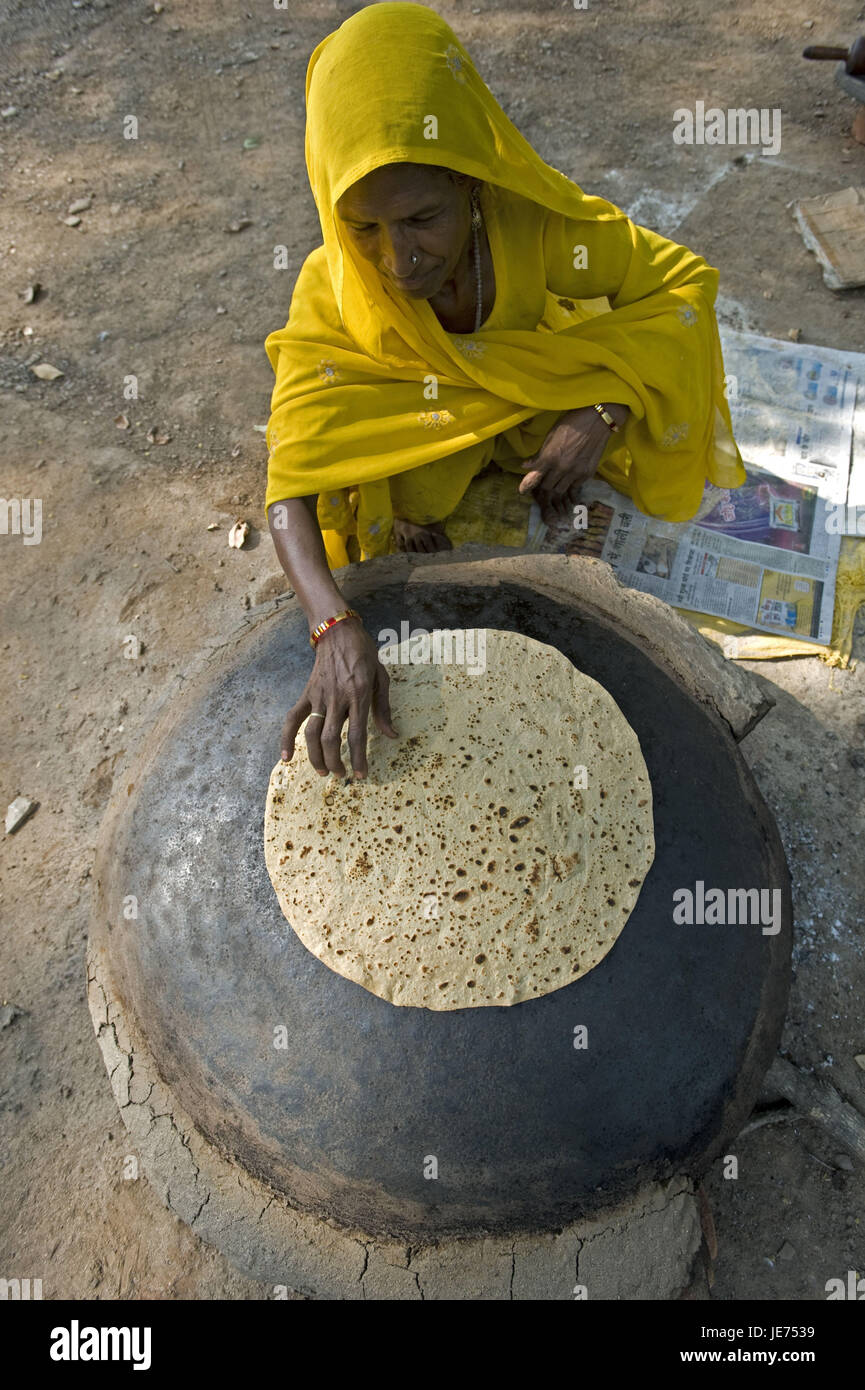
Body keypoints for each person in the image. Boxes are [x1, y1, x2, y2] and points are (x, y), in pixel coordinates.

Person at [264, 2, 745, 781]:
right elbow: (290, 480)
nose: (398, 259)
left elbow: (682, 289)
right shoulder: (337, 289)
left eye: (423, 218)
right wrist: (332, 626)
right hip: (423, 457)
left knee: (595, 383)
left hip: (525, 412)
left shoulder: (538, 229)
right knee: (384, 471)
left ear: (472, 183)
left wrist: (601, 410)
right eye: (363, 228)